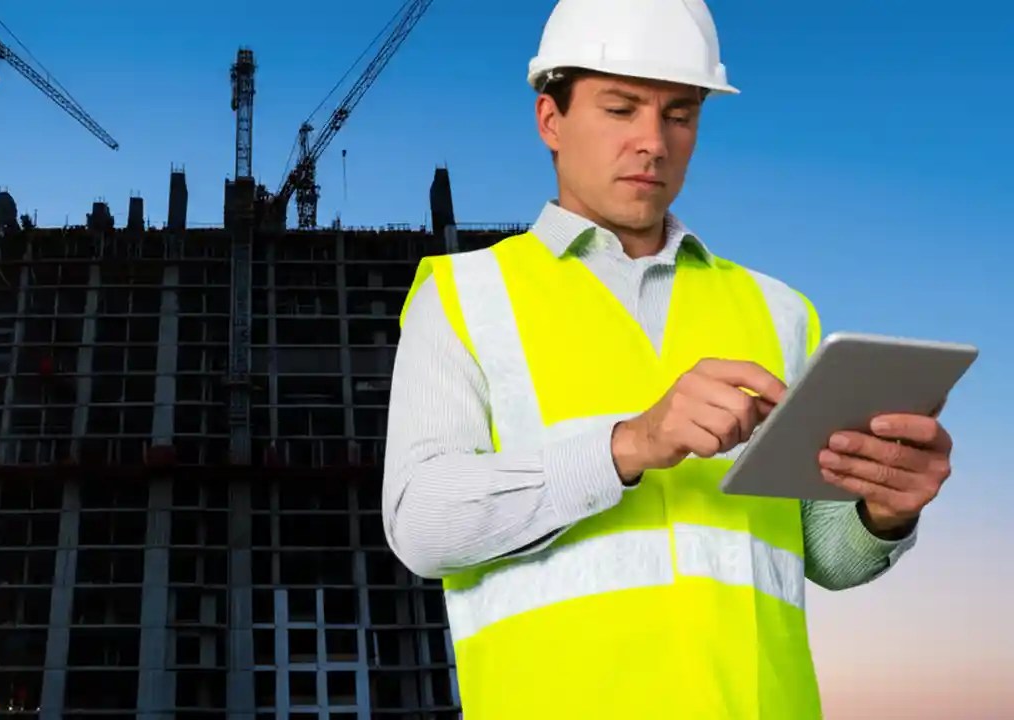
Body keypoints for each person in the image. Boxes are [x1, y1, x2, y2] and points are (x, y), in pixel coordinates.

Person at [381, 0, 956, 718]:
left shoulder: (778, 309)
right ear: (549, 120)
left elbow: (821, 556)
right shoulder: (464, 295)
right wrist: (629, 444)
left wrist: (885, 511)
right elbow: (420, 525)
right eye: (621, 109)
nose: (653, 142)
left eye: (679, 115)